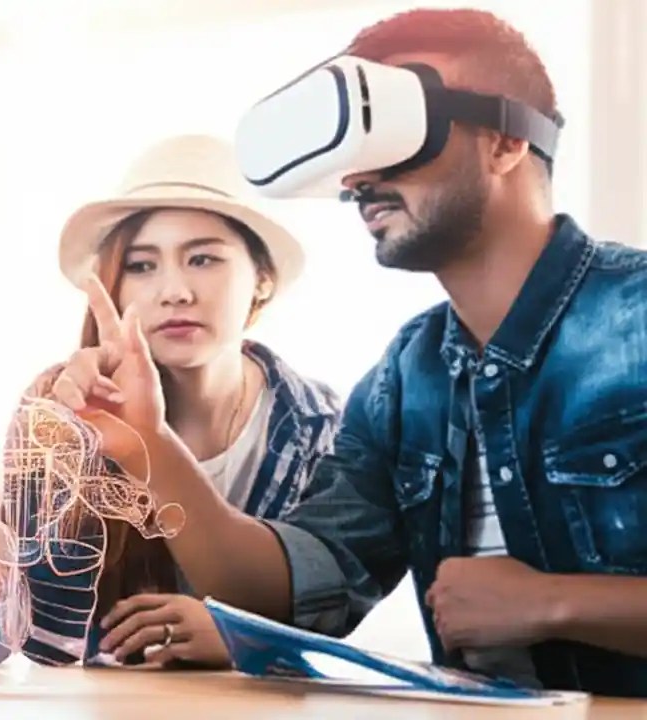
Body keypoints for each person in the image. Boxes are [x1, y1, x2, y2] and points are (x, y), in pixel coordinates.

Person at [50, 8, 647, 697]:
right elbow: (283, 592)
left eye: (395, 128)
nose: (360, 175)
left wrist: (552, 602)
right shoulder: (405, 380)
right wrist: (148, 444)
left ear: (506, 141)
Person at [9, 133, 341, 667]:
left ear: (262, 280)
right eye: (141, 266)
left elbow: (334, 611)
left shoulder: (318, 424)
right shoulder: (61, 406)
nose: (175, 292)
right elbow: (39, 632)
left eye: (204, 259)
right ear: (113, 288)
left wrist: (240, 638)